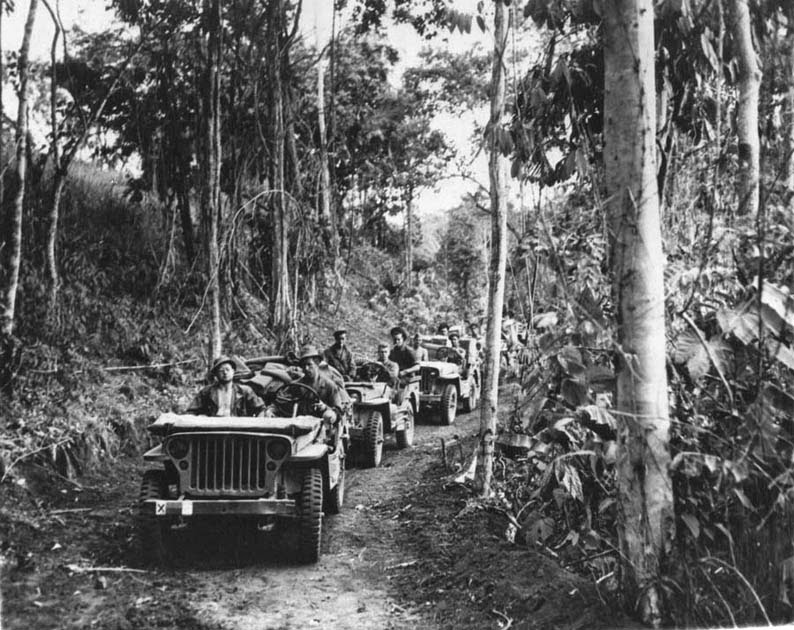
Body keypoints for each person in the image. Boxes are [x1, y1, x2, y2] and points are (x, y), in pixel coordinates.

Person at [265, 346, 349, 426]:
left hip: (322, 426)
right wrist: (270, 410)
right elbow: (280, 401)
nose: (306, 368)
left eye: (309, 364)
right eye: (303, 365)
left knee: (328, 415)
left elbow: (338, 411)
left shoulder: (329, 386)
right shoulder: (296, 385)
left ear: (317, 364)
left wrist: (325, 408)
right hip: (300, 424)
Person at [187, 355, 265, 417]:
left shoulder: (244, 391)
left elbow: (261, 409)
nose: (225, 373)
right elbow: (191, 412)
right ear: (216, 374)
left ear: (233, 371)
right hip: (213, 426)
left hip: (237, 427)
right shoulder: (206, 392)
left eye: (227, 369)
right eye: (221, 370)